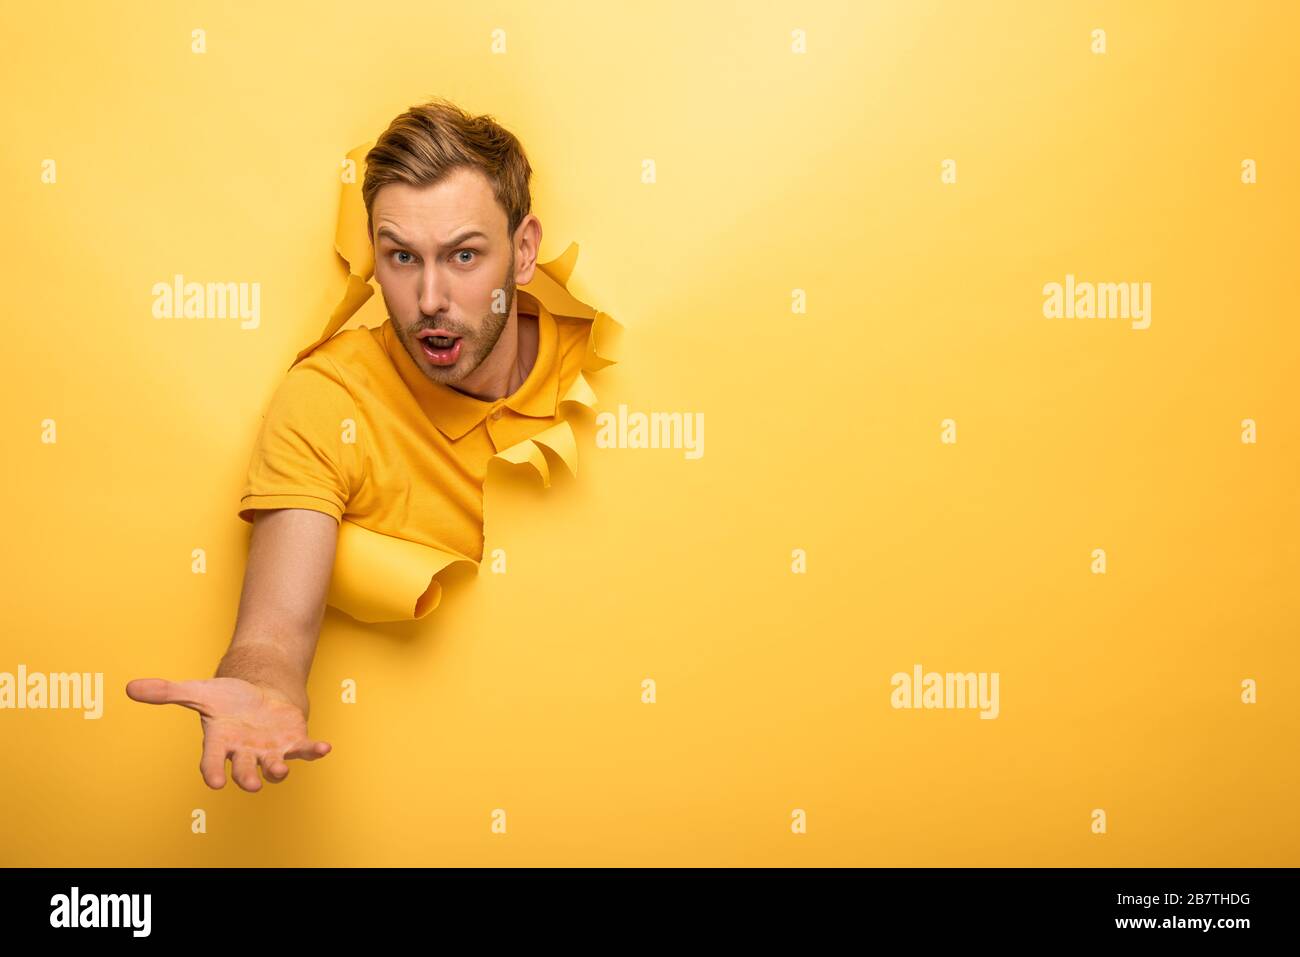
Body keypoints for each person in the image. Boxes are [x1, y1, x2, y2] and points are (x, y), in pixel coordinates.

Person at [126, 97, 589, 792]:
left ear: (524, 252)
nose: (430, 296)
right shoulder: (329, 399)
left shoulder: (606, 376)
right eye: (402, 257)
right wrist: (264, 687)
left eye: (464, 255)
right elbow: (272, 633)